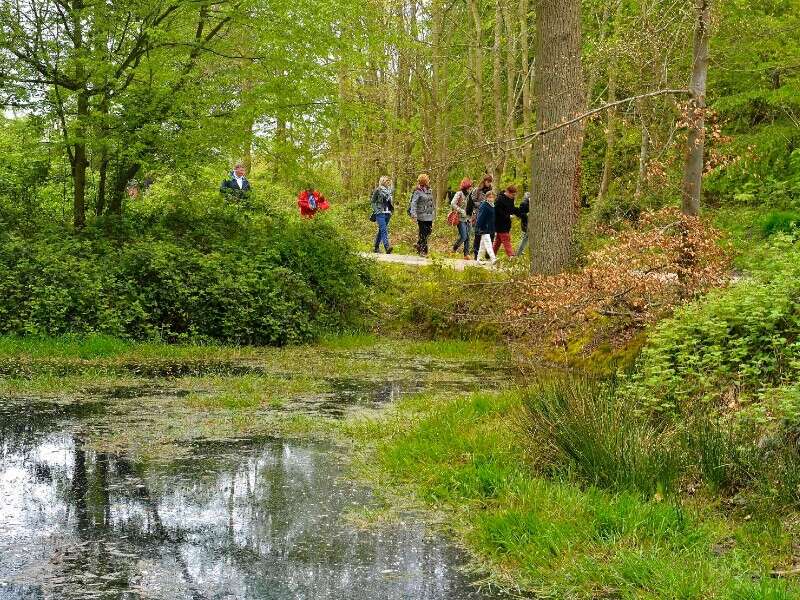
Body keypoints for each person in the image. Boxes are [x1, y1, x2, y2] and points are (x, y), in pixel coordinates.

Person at [467, 174, 493, 259]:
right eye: (488, 181)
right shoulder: (477, 190)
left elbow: (492, 201)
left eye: (490, 182)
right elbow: (472, 201)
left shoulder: (491, 191)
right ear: (484, 181)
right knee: (478, 235)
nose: (489, 183)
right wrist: (482, 204)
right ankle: (476, 254)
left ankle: (487, 255)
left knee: (488, 235)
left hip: (487, 216)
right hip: (478, 215)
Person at [409, 173, 435, 256]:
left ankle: (418, 245)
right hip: (421, 215)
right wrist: (413, 214)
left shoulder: (429, 190)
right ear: (424, 181)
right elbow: (413, 203)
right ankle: (423, 251)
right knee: (423, 233)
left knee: (428, 231)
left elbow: (431, 203)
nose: (429, 181)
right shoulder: (417, 191)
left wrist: (434, 213)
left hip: (429, 215)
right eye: (427, 180)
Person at [493, 184, 519, 257]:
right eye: (513, 195)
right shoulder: (499, 199)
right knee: (506, 239)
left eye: (514, 195)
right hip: (499, 223)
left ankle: (490, 254)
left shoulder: (511, 199)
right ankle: (511, 256)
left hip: (507, 223)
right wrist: (507, 215)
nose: (513, 196)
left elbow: (512, 209)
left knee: (498, 241)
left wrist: (518, 213)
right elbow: (496, 212)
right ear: (507, 192)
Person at [371, 176, 394, 253]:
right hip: (380, 213)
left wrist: (391, 211)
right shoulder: (378, 190)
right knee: (384, 229)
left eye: (389, 181)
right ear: (383, 181)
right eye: (387, 181)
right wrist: (377, 210)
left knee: (381, 230)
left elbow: (390, 202)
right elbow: (373, 202)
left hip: (388, 213)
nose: (388, 182)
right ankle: (387, 247)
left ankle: (376, 247)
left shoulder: (389, 191)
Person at [450, 178, 472, 259]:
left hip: (468, 218)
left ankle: (466, 254)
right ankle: (454, 249)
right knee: (463, 236)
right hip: (460, 218)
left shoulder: (470, 195)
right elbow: (452, 203)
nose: (470, 189)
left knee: (468, 237)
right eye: (469, 187)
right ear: (465, 187)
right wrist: (461, 210)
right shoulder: (459, 193)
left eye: (470, 187)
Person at [475, 190, 497, 264]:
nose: (491, 198)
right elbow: (480, 217)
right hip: (483, 228)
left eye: (492, 197)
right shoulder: (484, 205)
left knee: (482, 245)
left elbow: (493, 218)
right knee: (488, 243)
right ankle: (493, 259)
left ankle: (479, 259)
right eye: (489, 197)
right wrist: (479, 227)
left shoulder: (492, 205)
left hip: (490, 228)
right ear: (486, 197)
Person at [517, 191, 530, 256]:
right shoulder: (524, 203)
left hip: (528, 222)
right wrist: (527, 214)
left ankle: (520, 251)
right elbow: (520, 214)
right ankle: (518, 253)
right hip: (525, 223)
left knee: (526, 238)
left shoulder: (530, 203)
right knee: (524, 238)